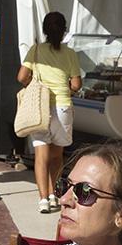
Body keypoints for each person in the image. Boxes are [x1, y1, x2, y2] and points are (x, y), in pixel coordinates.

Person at [19, 11, 82, 213]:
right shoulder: (70, 53)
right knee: (57, 156)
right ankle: (54, 194)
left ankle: (43, 199)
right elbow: (76, 84)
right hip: (62, 106)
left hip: (40, 107)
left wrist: (34, 84)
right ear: (64, 31)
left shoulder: (35, 50)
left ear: (45, 30)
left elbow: (21, 76)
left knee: (41, 156)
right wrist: (68, 87)